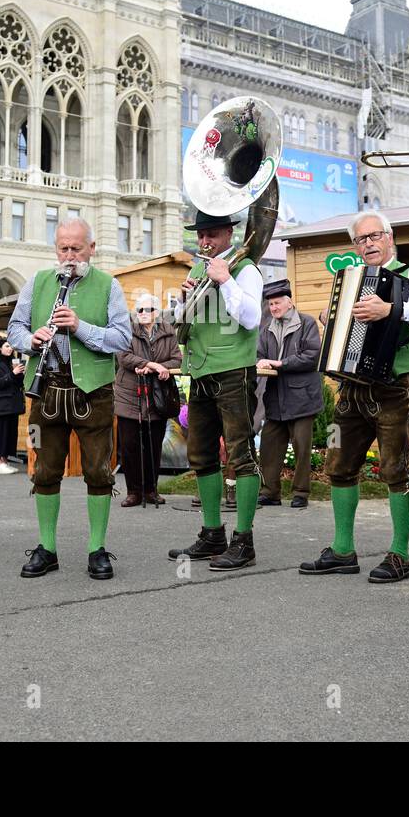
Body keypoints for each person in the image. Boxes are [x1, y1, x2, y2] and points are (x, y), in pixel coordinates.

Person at [299, 210, 409, 582]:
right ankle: (343, 550)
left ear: (390, 238)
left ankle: (400, 555)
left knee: (395, 468)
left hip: (394, 388)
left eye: (375, 236)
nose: (369, 244)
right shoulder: (350, 279)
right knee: (338, 462)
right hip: (351, 389)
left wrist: (390, 309)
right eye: (361, 239)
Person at [8, 217, 132, 580]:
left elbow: (123, 339)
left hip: (94, 393)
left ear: (91, 248)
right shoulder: (38, 281)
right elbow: (14, 327)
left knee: (98, 470)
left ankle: (97, 549)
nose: (69, 255)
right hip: (44, 391)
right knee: (44, 470)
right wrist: (30, 339)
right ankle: (47, 549)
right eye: (63, 247)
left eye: (77, 248)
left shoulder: (109, 285)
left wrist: (80, 327)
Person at [165, 210, 265, 571]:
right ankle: (212, 534)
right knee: (201, 455)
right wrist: (183, 300)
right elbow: (184, 325)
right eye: (201, 235)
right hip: (201, 370)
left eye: (212, 235)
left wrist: (224, 280)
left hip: (234, 370)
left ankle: (244, 541)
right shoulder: (196, 270)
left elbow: (251, 318)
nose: (205, 242)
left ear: (229, 234)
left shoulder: (245, 269)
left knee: (240, 455)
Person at [255, 279, 323, 509]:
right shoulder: (266, 330)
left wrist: (280, 363)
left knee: (303, 448)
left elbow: (312, 355)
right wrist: (260, 362)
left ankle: (301, 493)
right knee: (269, 446)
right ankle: (270, 492)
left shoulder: (307, 323)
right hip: (275, 398)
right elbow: (258, 355)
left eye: (277, 303)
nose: (273, 308)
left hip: (302, 397)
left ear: (289, 302)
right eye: (270, 304)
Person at [114, 292, 181, 507]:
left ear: (157, 312)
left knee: (153, 445)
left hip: (157, 395)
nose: (143, 313)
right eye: (139, 310)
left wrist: (165, 370)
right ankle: (133, 491)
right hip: (129, 395)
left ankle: (151, 490)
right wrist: (154, 365)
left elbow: (177, 358)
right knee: (129, 446)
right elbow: (123, 357)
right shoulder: (126, 330)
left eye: (148, 309)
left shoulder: (168, 332)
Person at [0, 340, 25, 473]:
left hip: (13, 405)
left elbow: (18, 384)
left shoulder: (11, 363)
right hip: (1, 405)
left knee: (10, 434)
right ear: (0, 348)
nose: (10, 349)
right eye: (7, 346)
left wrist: (19, 375)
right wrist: (12, 374)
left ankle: (5, 462)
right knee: (0, 434)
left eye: (11, 346)